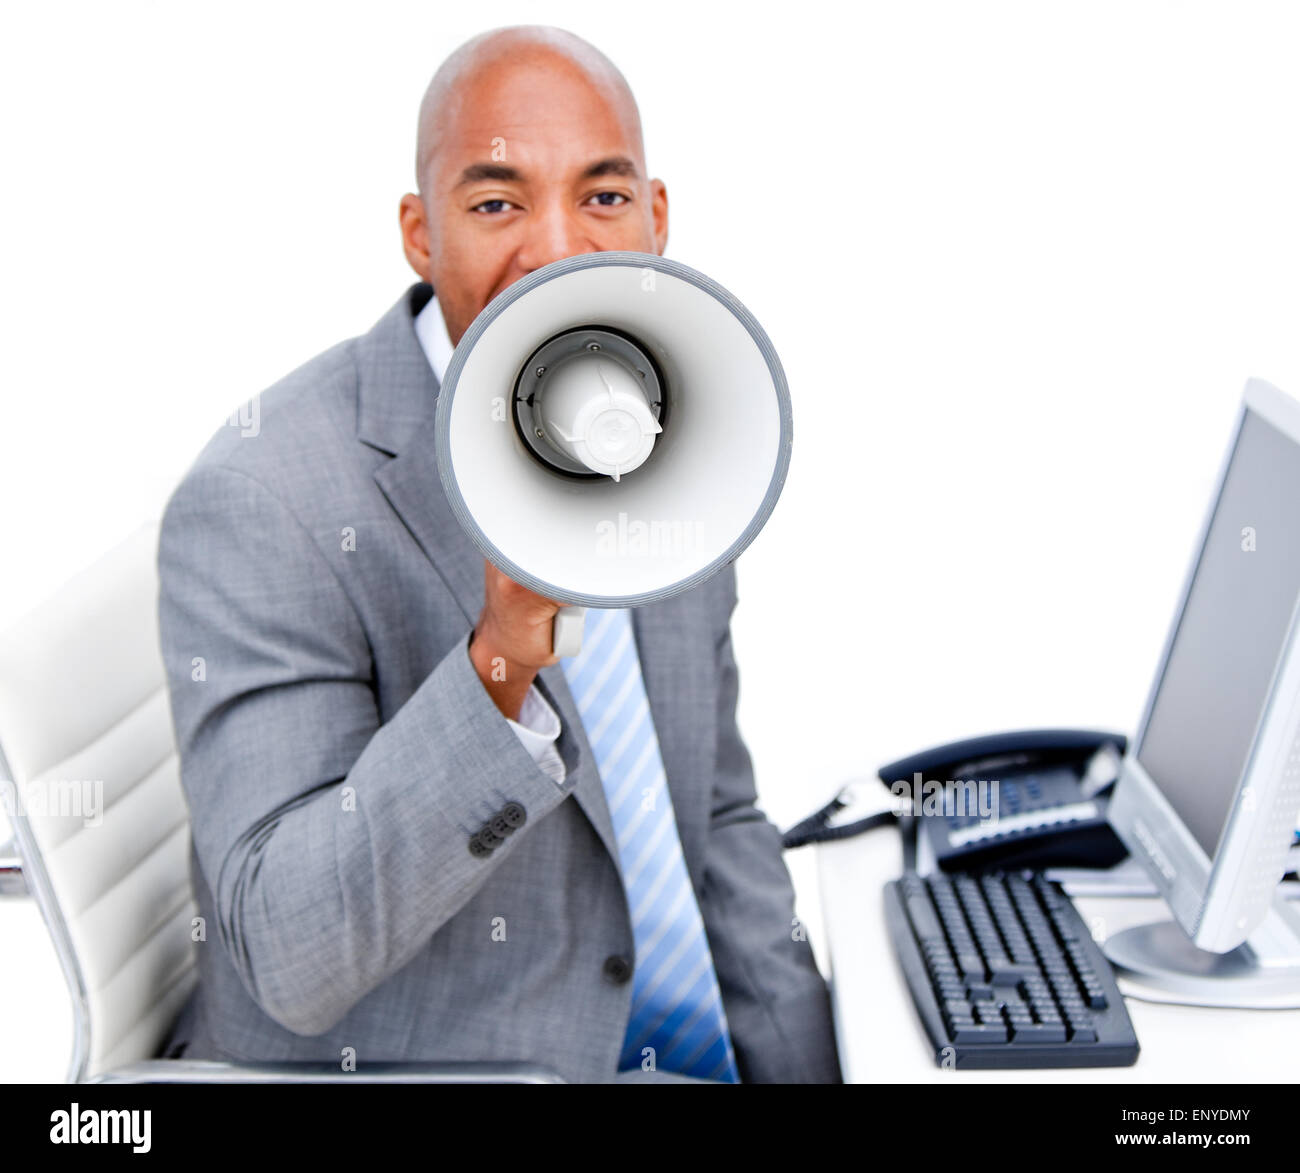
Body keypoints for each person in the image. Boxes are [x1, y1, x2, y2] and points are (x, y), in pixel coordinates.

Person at [157, 24, 841, 1084]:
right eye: (495, 203)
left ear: (656, 219)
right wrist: (499, 663)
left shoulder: (686, 437)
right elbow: (286, 955)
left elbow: (711, 818)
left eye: (603, 198)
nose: (559, 252)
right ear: (419, 232)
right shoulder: (267, 496)